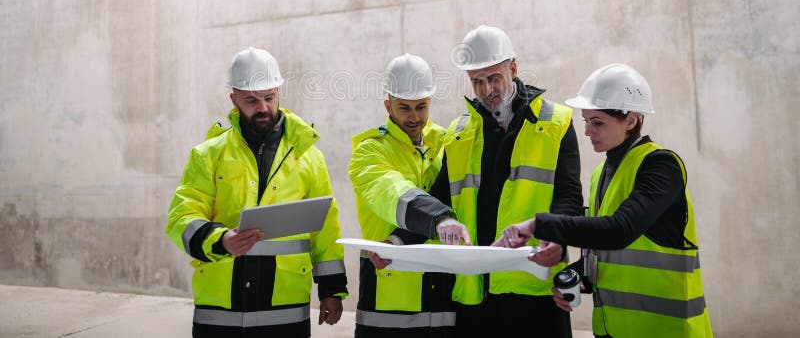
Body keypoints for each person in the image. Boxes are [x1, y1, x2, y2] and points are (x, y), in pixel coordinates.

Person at [494, 63, 713, 337]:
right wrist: (577, 275)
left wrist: (538, 225)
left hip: (666, 330)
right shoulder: (602, 174)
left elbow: (619, 230)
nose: (587, 131)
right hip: (613, 330)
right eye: (586, 121)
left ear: (631, 120)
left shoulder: (661, 166)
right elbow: (605, 253)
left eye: (597, 122)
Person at [166, 47, 348, 338]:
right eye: (251, 100)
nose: (262, 107)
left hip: (285, 307)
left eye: (269, 97)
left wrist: (331, 289)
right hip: (221, 311)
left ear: (278, 92)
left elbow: (325, 228)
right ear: (234, 99)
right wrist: (221, 240)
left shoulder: (309, 156)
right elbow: (180, 217)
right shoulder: (208, 155)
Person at [431, 25, 583, 337]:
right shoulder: (458, 133)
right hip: (477, 292)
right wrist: (396, 242)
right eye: (477, 82)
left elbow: (568, 194)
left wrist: (559, 238)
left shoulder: (555, 122)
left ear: (513, 69)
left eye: (494, 77)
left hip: (533, 286)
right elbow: (439, 198)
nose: (487, 89)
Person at [349, 54, 462, 337]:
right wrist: (439, 217)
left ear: (430, 102)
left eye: (421, 107)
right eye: (405, 108)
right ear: (388, 105)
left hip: (442, 287)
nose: (414, 117)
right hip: (389, 289)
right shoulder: (370, 151)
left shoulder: (447, 143)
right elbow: (390, 190)